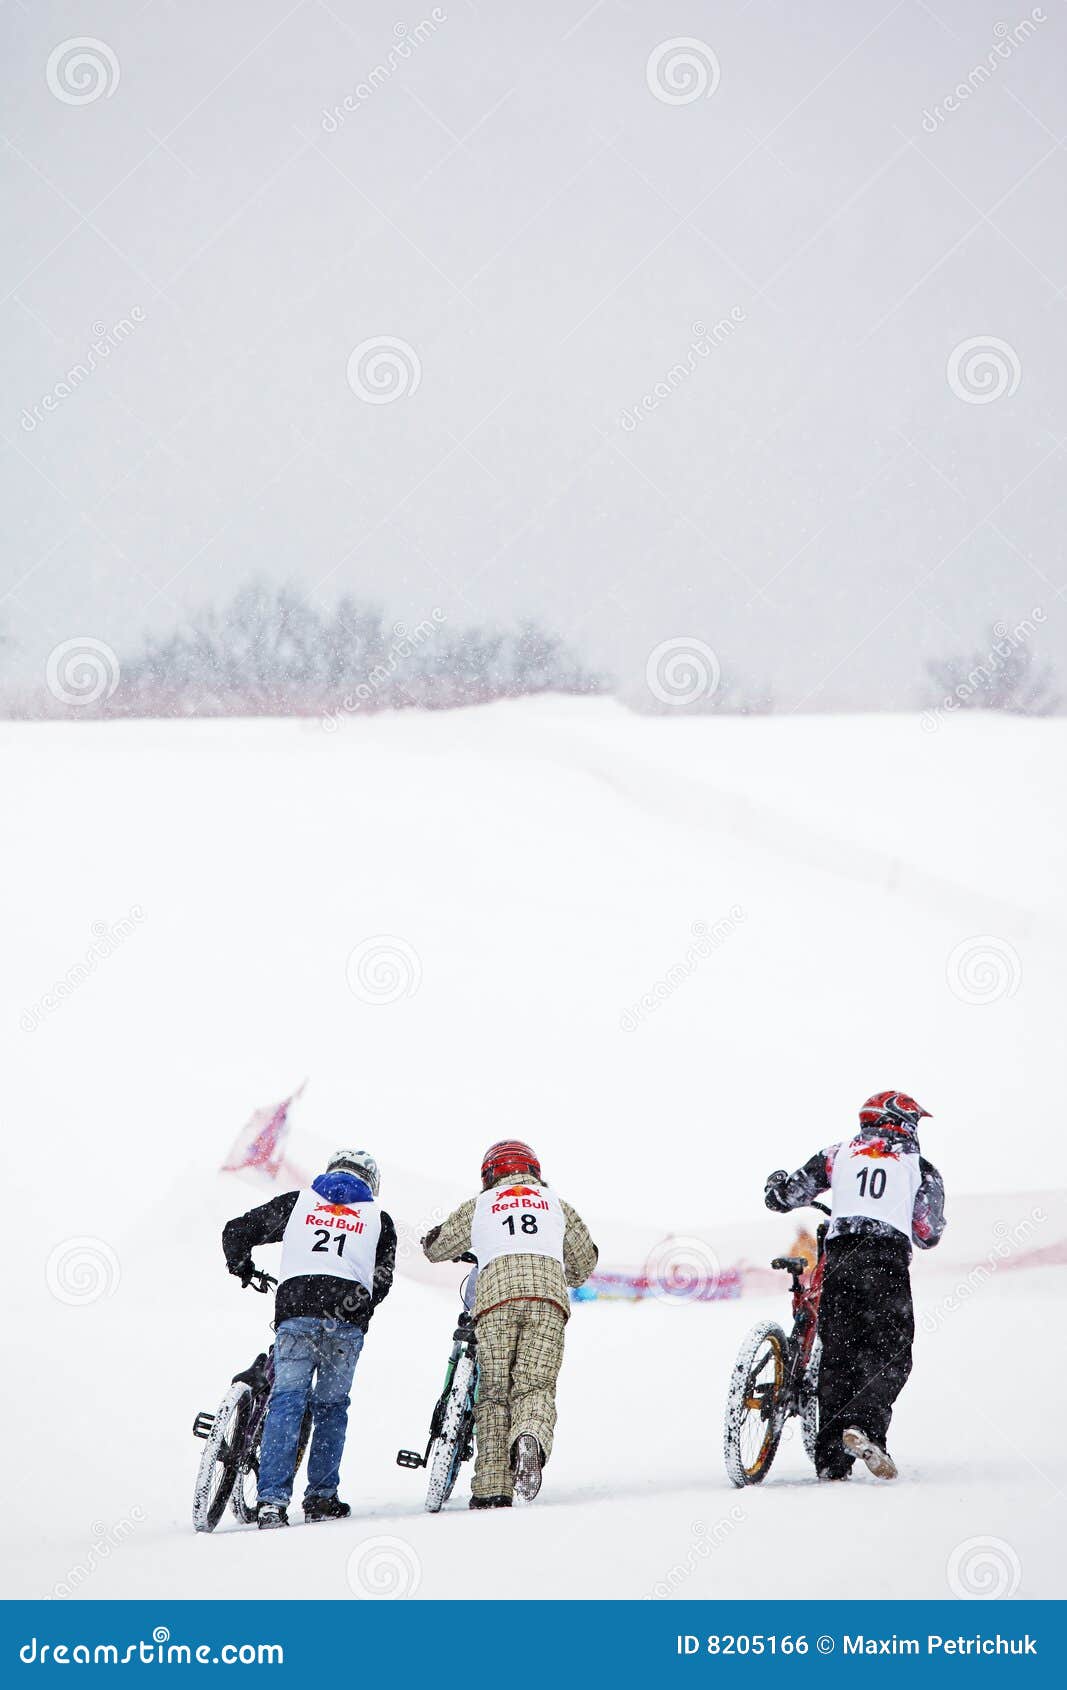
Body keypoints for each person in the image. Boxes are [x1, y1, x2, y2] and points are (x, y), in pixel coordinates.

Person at [764, 1091, 945, 1482]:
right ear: (903, 1121)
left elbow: (786, 1197)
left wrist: (775, 1187)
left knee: (838, 1353)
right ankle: (865, 1427)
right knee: (889, 1349)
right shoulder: (921, 1167)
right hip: (886, 1260)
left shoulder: (838, 1153)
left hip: (841, 1256)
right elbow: (927, 1233)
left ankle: (831, 1459)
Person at [222, 1148, 396, 1528]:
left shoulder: (298, 1203)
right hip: (345, 1319)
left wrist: (242, 1265)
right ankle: (321, 1498)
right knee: (332, 1406)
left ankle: (270, 1503)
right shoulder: (378, 1219)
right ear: (371, 1182)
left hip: (297, 1309)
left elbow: (237, 1229)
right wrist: (359, 1309)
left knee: (286, 1400)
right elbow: (383, 1277)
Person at [421, 1140, 597, 1508]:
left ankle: (491, 1487)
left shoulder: (481, 1205)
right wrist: (568, 1271)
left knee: (494, 1393)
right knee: (535, 1386)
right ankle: (530, 1437)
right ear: (534, 1171)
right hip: (548, 1300)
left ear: (489, 1174)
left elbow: (438, 1247)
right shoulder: (556, 1204)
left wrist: (430, 1240)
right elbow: (585, 1262)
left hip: (495, 1301)